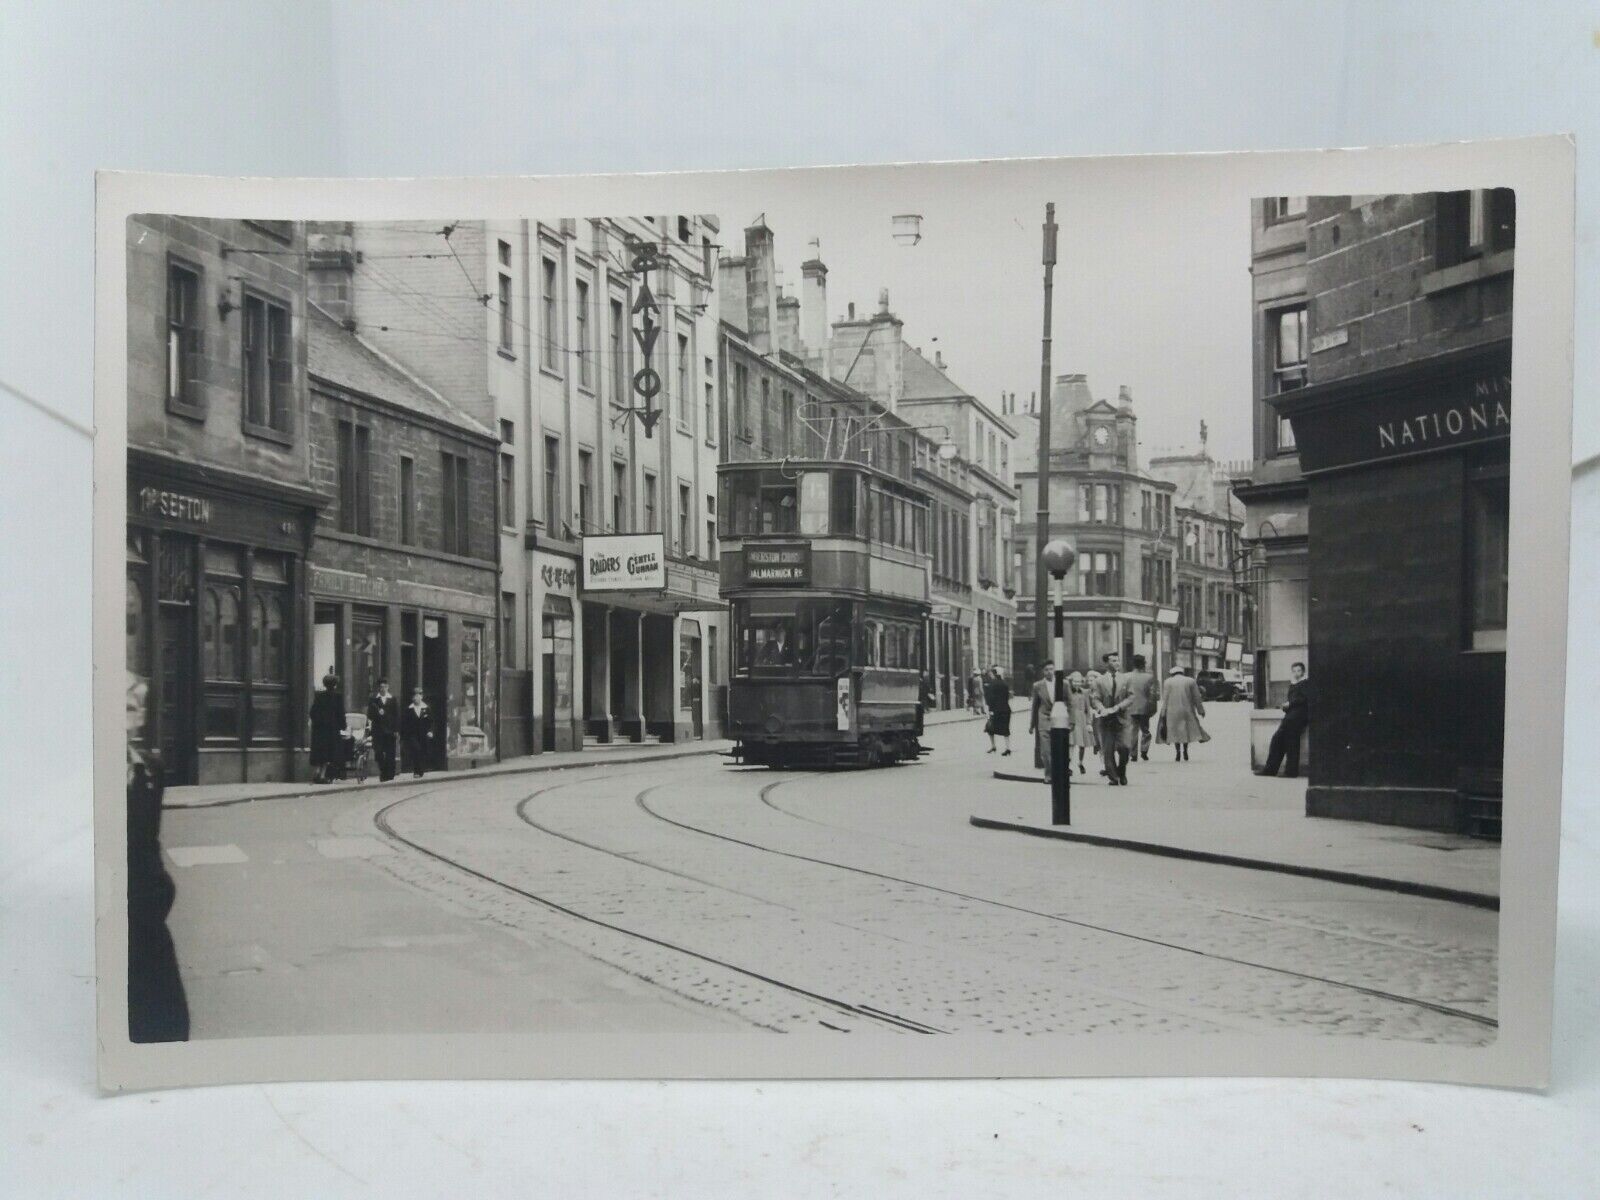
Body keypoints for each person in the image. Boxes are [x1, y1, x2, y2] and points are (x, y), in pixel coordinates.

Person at [1257, 661, 1310, 777]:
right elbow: (1295, 700)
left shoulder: (1305, 683)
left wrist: (1290, 704)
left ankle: (1285, 771)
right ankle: (1273, 770)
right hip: (1291, 717)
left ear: (1303, 672)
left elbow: (1304, 699)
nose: (1296, 673)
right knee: (1280, 740)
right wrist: (1286, 706)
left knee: (1289, 742)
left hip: (1299, 717)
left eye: (1299, 670)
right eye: (1294, 671)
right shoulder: (1294, 684)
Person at [1090, 652, 1134, 785]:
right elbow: (1095, 699)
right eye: (1113, 661)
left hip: (1122, 718)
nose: (1117, 663)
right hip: (1106, 719)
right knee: (1108, 750)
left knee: (1125, 747)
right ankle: (1113, 777)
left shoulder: (1126, 679)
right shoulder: (1099, 681)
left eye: (1118, 661)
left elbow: (1131, 697)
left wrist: (1118, 707)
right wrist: (1101, 709)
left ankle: (1122, 770)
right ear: (1106, 663)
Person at [1157, 666, 1207, 762]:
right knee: (1185, 731)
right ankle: (1185, 751)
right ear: (1182, 672)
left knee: (1176, 732)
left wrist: (1163, 713)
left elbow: (1165, 699)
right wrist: (1201, 711)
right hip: (1187, 710)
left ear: (1172, 673)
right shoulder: (1190, 681)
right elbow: (1197, 698)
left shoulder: (1167, 682)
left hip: (1172, 711)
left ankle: (1178, 752)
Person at [309, 671, 347, 784]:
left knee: (320, 751)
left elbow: (312, 712)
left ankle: (317, 771)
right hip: (331, 730)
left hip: (319, 729)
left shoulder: (319, 696)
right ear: (334, 685)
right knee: (328, 752)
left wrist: (317, 722)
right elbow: (341, 713)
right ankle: (322, 775)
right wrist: (343, 725)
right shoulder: (338, 697)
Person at [1122, 654, 1159, 762]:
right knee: (1145, 730)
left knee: (1132, 730)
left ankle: (1133, 754)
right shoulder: (1149, 677)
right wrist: (1152, 708)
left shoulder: (1126, 676)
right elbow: (1154, 695)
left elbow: (1122, 693)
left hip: (1130, 707)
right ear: (1143, 664)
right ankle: (1144, 750)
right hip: (1144, 707)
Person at [1029, 662, 1059, 781]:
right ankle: (1049, 774)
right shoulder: (1037, 686)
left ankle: (1058, 772)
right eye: (1046, 670)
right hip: (1044, 720)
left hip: (1059, 720)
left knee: (1058, 749)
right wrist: (1032, 725)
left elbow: (1070, 703)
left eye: (1051, 669)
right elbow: (1035, 706)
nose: (1049, 672)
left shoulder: (1063, 684)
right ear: (1043, 671)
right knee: (1046, 751)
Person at [366, 678, 400, 783]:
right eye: (381, 687)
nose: (383, 689)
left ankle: (389, 774)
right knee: (379, 753)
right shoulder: (374, 700)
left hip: (390, 730)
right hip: (378, 731)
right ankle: (383, 771)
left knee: (390, 753)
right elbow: (369, 715)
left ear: (388, 687)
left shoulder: (392, 699)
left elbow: (396, 715)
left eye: (385, 686)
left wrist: (396, 729)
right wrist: (377, 713)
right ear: (378, 688)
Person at [400, 686, 434, 778]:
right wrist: (405, 735)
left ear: (421, 697)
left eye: (418, 695)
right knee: (416, 750)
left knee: (422, 751)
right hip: (412, 735)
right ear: (412, 698)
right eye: (414, 696)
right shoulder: (409, 709)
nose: (416, 698)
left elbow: (431, 721)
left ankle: (420, 770)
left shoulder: (426, 708)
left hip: (423, 734)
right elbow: (404, 723)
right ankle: (416, 770)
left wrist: (430, 731)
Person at [1066, 670, 1095, 775]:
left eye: (1079, 681)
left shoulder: (1084, 693)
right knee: (1071, 744)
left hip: (1082, 720)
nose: (1077, 683)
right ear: (1071, 681)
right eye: (1075, 681)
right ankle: (1067, 766)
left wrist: (1089, 723)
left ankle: (1080, 763)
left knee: (1082, 745)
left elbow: (1088, 709)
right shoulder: (1068, 692)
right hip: (1072, 720)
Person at [983, 665, 1013, 756]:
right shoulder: (1005, 684)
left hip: (996, 709)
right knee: (1006, 729)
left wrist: (990, 709)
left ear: (995, 674)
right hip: (1006, 709)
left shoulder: (992, 684)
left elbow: (990, 698)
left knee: (990, 728)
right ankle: (1008, 748)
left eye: (992, 673)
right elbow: (1007, 697)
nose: (991, 675)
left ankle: (993, 746)